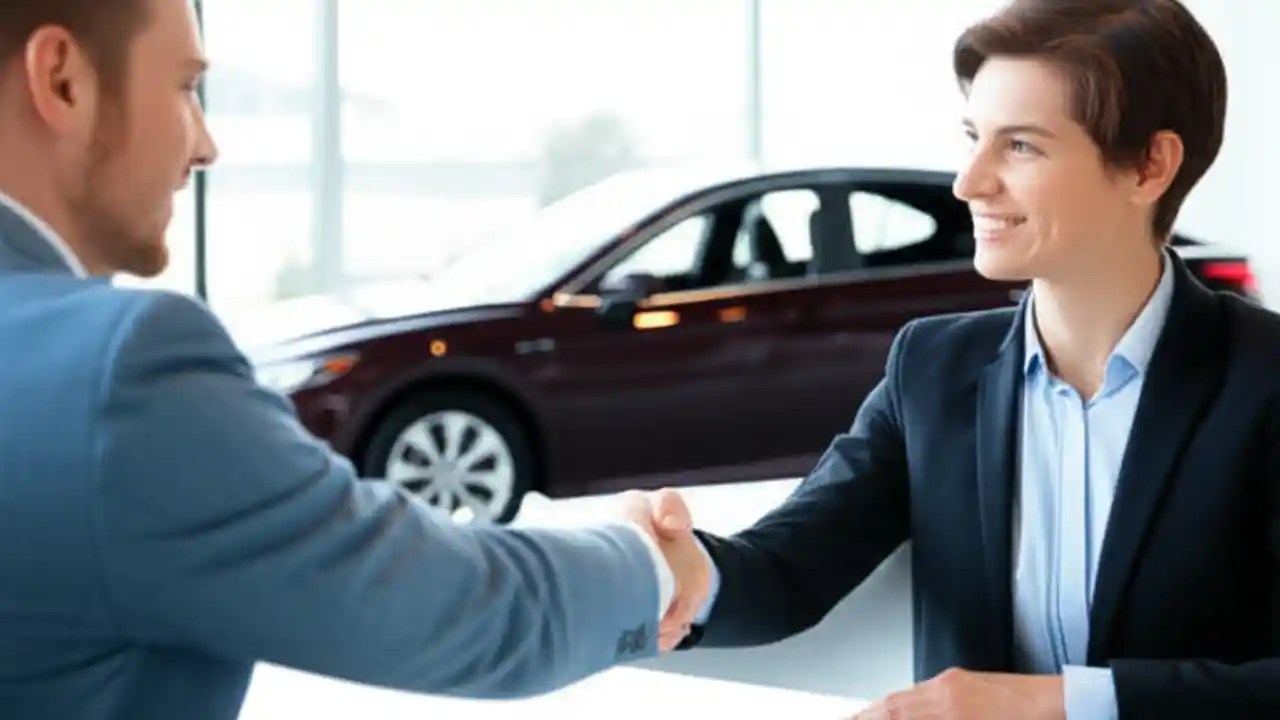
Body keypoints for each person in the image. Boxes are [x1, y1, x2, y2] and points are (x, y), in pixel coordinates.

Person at [0, 1, 710, 718]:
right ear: (62, 79)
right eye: (186, 87)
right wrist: (644, 561)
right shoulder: (119, 373)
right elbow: (459, 609)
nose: (205, 145)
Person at [641, 1, 1280, 718]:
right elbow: (791, 568)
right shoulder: (931, 369)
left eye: (1021, 146)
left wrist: (1060, 704)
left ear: (1149, 166)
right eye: (974, 137)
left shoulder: (1265, 379)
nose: (968, 182)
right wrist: (689, 573)